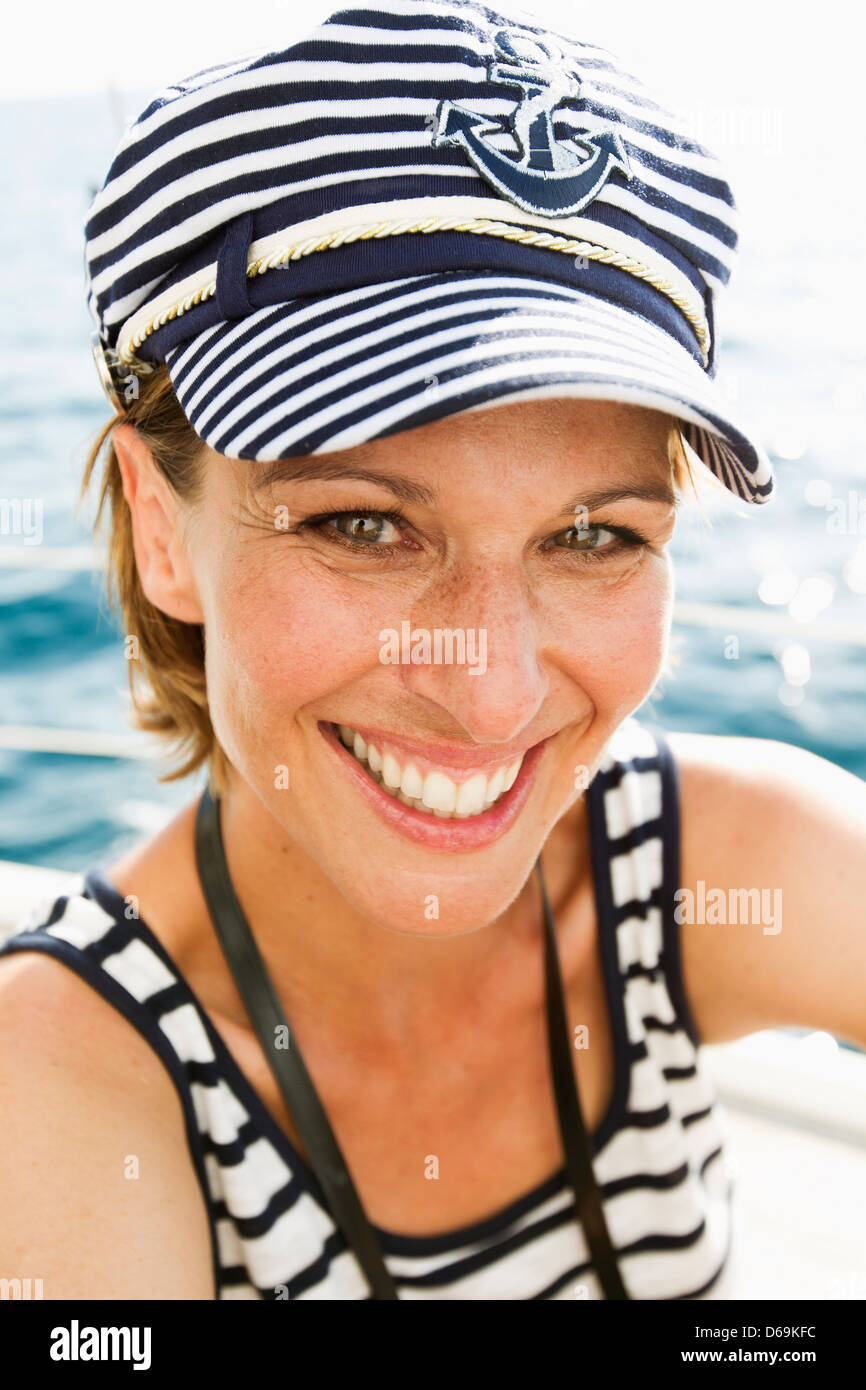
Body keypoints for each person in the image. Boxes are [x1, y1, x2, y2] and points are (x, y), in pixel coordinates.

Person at [1, 0, 864, 1301]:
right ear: (159, 527)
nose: (493, 689)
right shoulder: (66, 1074)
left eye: (592, 535)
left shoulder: (706, 865)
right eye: (363, 523)